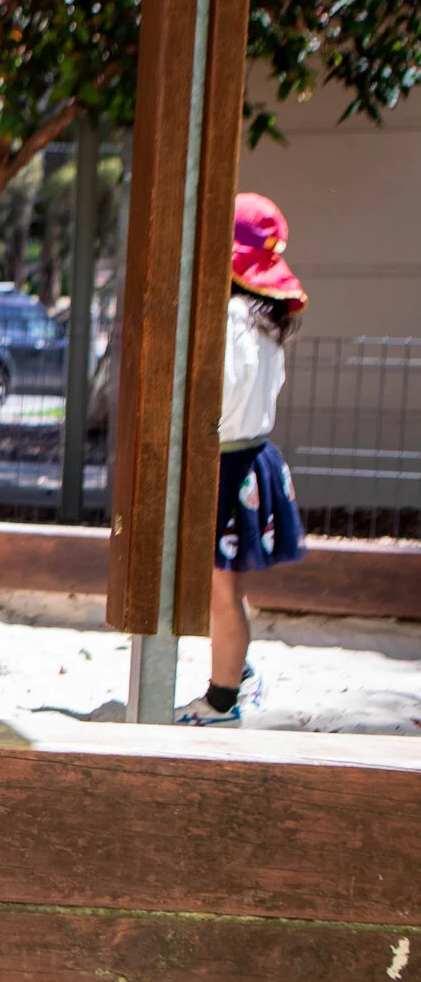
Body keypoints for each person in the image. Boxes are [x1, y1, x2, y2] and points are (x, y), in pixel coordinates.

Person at [178, 194, 311, 727]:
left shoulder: (230, 320)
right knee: (225, 584)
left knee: (222, 588)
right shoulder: (263, 320)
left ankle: (221, 701)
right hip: (252, 455)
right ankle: (241, 671)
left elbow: (218, 397)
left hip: (227, 462)